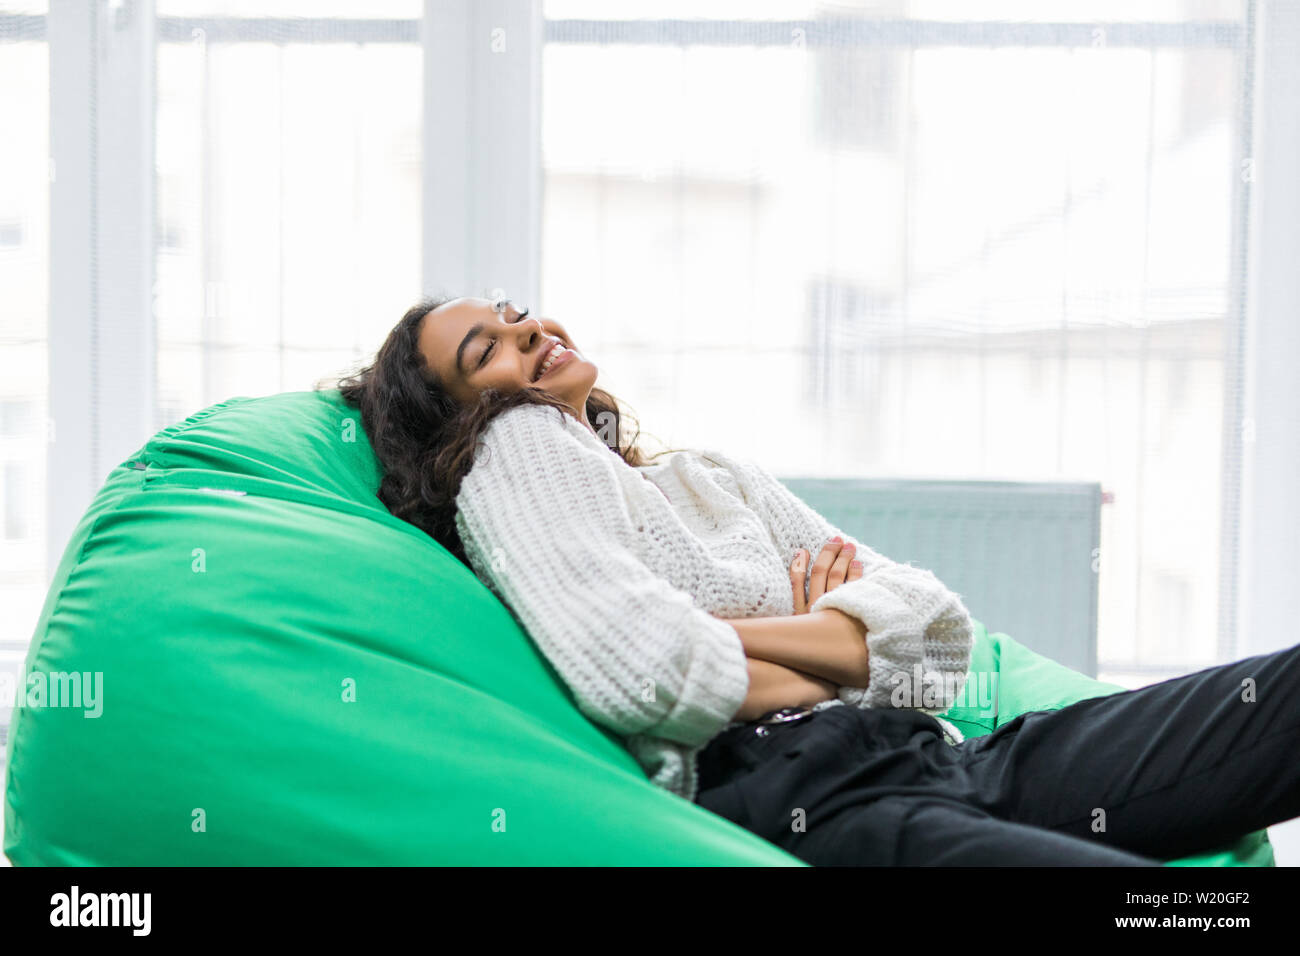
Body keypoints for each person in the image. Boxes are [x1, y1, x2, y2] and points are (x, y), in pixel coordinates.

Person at [335, 294, 1300, 866]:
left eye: (511, 315)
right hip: (810, 799)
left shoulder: (705, 474)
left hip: (941, 751)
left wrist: (741, 631)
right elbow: (652, 671)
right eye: (486, 353)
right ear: (461, 417)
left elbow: (936, 645)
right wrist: (838, 641)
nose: (526, 333)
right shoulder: (519, 452)